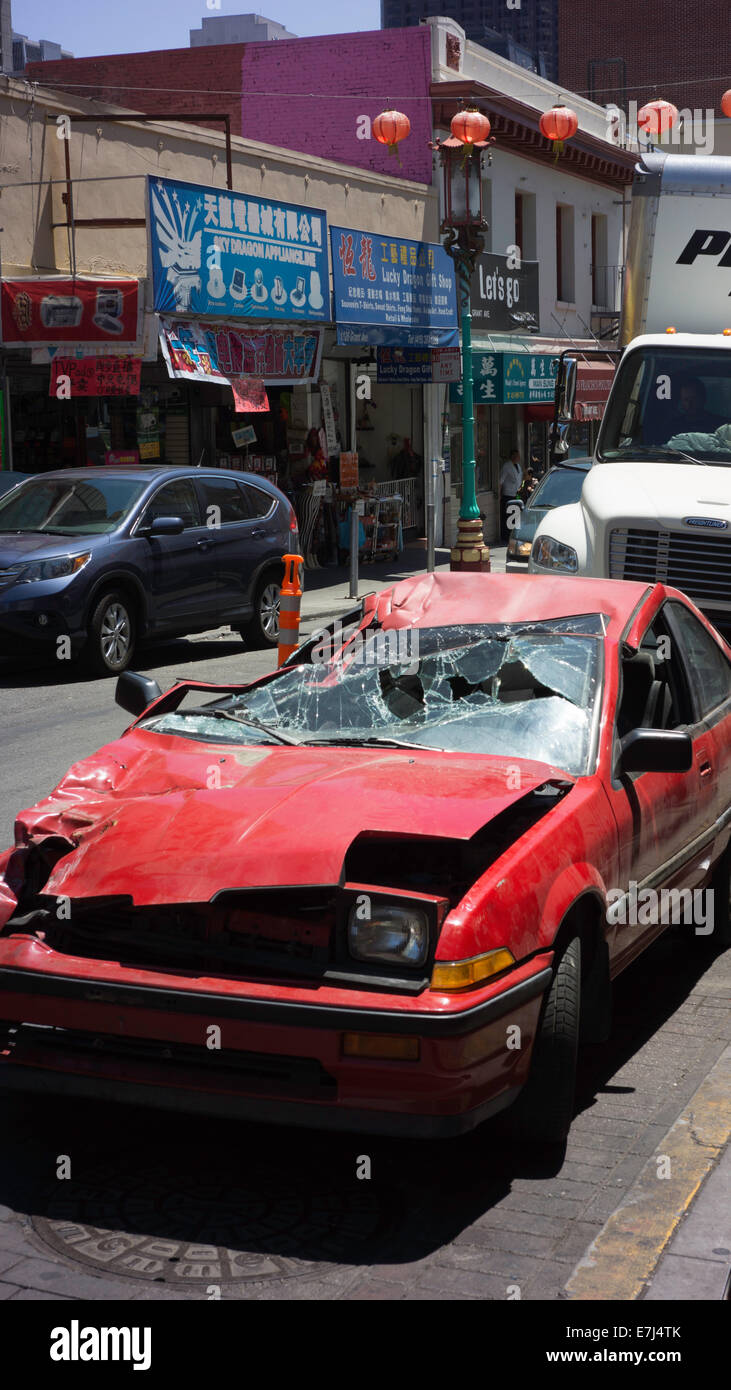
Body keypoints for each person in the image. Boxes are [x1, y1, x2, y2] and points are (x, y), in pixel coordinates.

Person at [500, 448, 525, 541]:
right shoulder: (507, 466)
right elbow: (501, 481)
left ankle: (514, 535)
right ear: (513, 456)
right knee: (508, 516)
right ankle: (506, 537)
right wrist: (499, 495)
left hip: (516, 494)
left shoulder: (518, 466)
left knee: (516, 516)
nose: (518, 458)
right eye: (517, 456)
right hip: (508, 494)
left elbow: (520, 478)